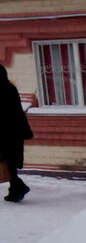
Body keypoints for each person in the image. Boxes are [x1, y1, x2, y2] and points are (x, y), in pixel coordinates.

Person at [0, 64, 34, 202]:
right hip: (14, 132)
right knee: (9, 162)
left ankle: (17, 187)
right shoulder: (9, 88)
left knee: (6, 161)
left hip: (4, 133)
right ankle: (16, 188)